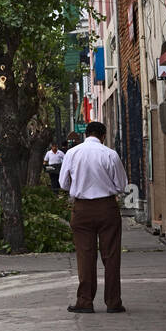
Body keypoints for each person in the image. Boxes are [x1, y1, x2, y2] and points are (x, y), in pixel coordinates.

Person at [59, 121, 128, 314]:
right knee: (111, 256)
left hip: (82, 210)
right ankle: (113, 302)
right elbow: (122, 185)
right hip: (107, 208)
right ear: (103, 136)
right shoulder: (110, 154)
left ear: (85, 134)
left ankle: (85, 301)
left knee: (85, 256)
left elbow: (63, 183)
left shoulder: (73, 153)